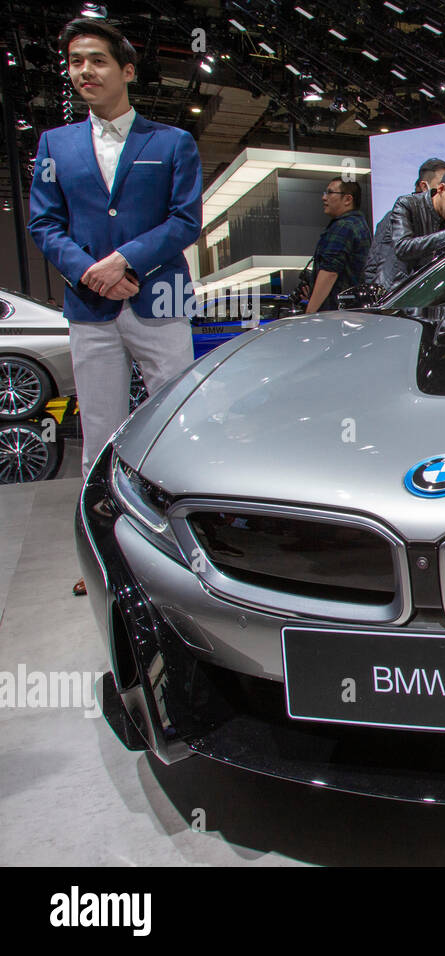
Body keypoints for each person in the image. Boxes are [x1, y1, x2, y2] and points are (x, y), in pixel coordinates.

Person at [28, 18, 202, 597]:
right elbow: (44, 223)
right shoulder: (54, 144)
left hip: (161, 298)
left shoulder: (172, 142)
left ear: (126, 70)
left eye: (97, 60)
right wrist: (89, 271)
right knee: (99, 427)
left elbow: (184, 220)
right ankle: (101, 556)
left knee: (172, 425)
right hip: (88, 305)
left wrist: (125, 261)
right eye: (76, 61)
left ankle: (180, 550)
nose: (85, 72)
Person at [365, 158, 445, 290]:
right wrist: (376, 299)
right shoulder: (398, 214)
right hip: (397, 298)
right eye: (441, 185)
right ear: (423, 186)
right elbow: (374, 264)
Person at [305, 178, 370, 313]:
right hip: (350, 313)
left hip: (335, 315)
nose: (324, 197)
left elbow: (330, 272)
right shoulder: (357, 223)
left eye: (330, 193)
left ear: (347, 199)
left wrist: (309, 313)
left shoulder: (344, 226)